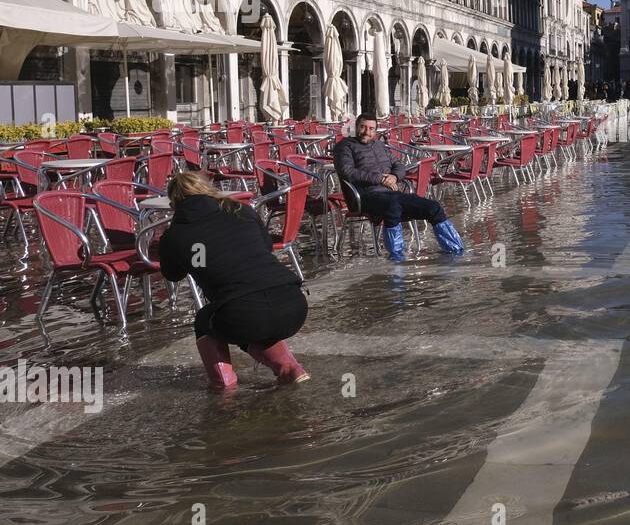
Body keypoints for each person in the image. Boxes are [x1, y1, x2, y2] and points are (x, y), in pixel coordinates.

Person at [159, 171, 309, 391]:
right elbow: (266, 246)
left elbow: (172, 274)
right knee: (244, 316)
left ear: (174, 204)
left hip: (243, 313)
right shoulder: (242, 210)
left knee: (209, 319)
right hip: (293, 304)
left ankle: (224, 388)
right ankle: (290, 368)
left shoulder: (175, 235)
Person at [334, 114, 463, 262]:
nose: (366, 132)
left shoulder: (380, 146)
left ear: (375, 131)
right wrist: (381, 179)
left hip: (392, 193)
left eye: (371, 128)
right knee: (393, 207)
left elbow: (399, 165)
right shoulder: (344, 146)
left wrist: (394, 177)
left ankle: (456, 254)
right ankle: (396, 260)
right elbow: (347, 171)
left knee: (434, 207)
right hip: (365, 196)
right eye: (362, 127)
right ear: (356, 127)